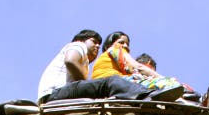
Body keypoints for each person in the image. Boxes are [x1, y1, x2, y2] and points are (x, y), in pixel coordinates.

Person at [37, 29, 183, 105]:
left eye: (99, 44)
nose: (97, 46)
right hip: (54, 93)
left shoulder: (88, 65)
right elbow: (70, 61)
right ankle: (148, 96)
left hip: (56, 94)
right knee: (111, 82)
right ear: (81, 40)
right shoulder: (78, 45)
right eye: (93, 41)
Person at [91, 31, 209, 111]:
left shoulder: (112, 63)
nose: (126, 46)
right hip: (115, 83)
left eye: (127, 44)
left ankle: (196, 103)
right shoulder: (115, 50)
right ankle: (199, 99)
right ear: (109, 44)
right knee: (167, 84)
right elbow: (138, 67)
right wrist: (161, 78)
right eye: (122, 42)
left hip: (108, 86)